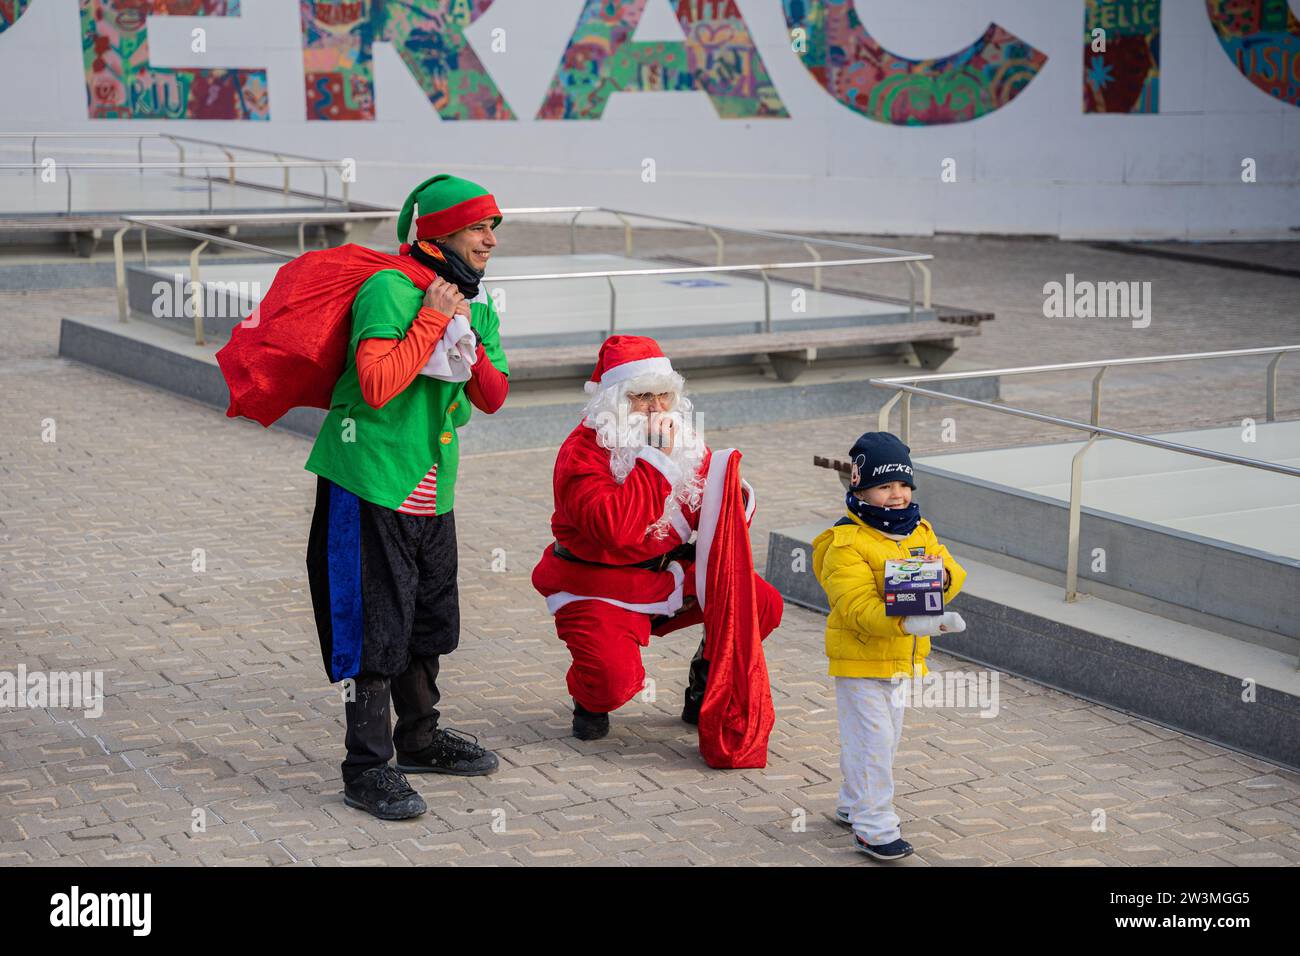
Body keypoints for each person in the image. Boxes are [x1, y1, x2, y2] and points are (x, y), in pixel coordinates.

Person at [304, 174, 510, 820]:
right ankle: (365, 768)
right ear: (440, 231)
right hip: (368, 482)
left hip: (431, 489)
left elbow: (495, 396)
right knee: (372, 628)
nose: (490, 240)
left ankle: (418, 739)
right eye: (479, 227)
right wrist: (430, 321)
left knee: (425, 621)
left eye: (493, 227)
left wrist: (464, 337)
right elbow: (375, 385)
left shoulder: (476, 305)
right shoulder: (389, 288)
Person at [531, 335, 783, 741]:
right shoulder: (581, 452)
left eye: (663, 395)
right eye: (641, 396)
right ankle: (590, 696)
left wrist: (732, 497)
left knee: (761, 603)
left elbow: (713, 518)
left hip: (667, 577)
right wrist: (656, 459)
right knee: (615, 682)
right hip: (599, 584)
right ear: (612, 401)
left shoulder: (683, 441)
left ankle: (707, 678)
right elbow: (616, 529)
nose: (656, 408)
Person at [811, 431, 968, 861]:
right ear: (859, 488)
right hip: (859, 659)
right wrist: (909, 619)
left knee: (881, 740)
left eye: (903, 484)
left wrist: (940, 582)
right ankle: (874, 826)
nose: (897, 494)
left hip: (900, 660)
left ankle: (850, 801)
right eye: (885, 486)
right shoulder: (845, 542)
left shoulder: (918, 530)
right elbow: (857, 607)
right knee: (874, 742)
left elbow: (952, 569)